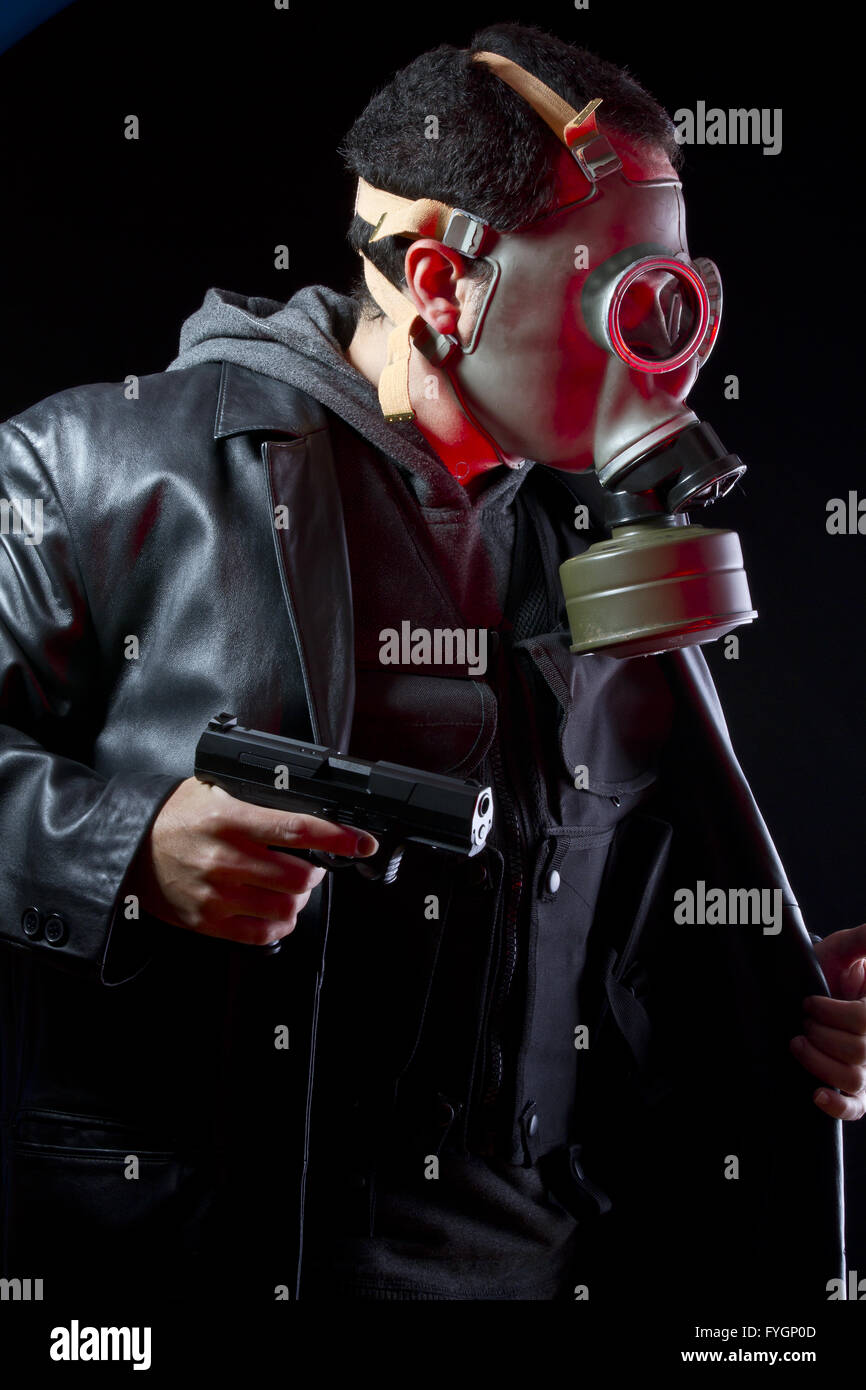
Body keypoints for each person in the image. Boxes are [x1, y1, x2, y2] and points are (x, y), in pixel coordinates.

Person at [0, 22, 863, 1310]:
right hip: (193, 1271)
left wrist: (796, 1008)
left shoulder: (591, 553)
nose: (667, 357)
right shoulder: (94, 472)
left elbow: (638, 938)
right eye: (629, 301)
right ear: (442, 286)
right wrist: (118, 849)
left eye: (680, 298)